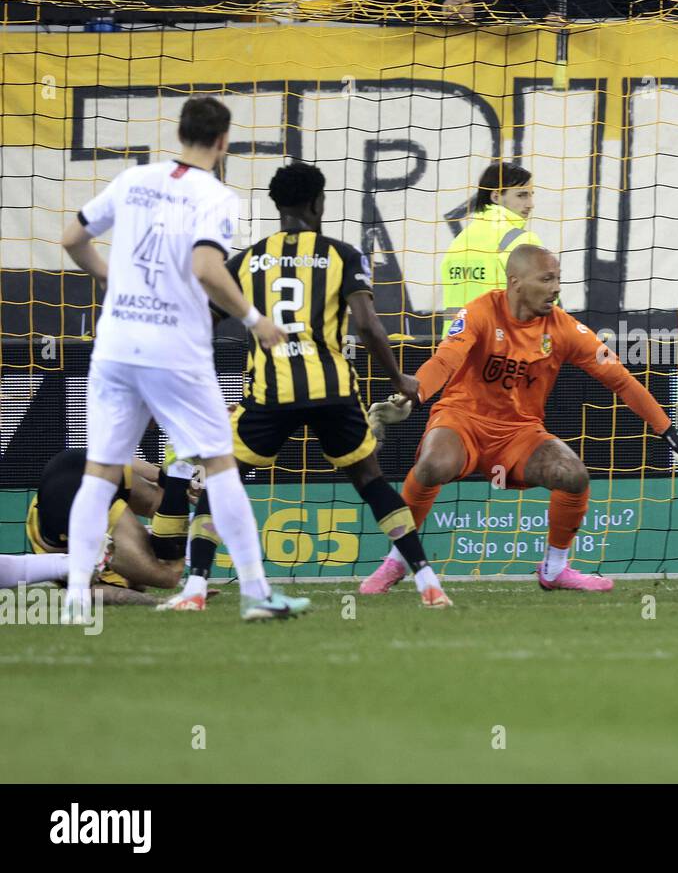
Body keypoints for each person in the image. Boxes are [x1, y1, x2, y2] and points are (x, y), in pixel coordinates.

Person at [59, 95, 306, 623]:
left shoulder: (133, 181)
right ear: (222, 141)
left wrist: (108, 276)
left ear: (179, 133)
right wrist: (254, 320)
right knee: (220, 467)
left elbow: (73, 238)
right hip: (174, 349)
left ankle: (78, 593)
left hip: (117, 343)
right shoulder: (216, 196)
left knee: (99, 472)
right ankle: (258, 593)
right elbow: (205, 267)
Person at [159, 161, 449, 611]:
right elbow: (369, 327)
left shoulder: (244, 261)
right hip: (332, 390)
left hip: (270, 394)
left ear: (276, 206)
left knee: (221, 483)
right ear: (319, 203)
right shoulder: (343, 255)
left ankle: (195, 588)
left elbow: (201, 325)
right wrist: (399, 378)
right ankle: (428, 582)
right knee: (372, 481)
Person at [361, 243, 678, 594]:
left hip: (519, 434)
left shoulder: (563, 328)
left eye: (558, 279)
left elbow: (622, 382)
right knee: (433, 465)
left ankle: (555, 569)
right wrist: (414, 394)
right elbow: (444, 361)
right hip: (462, 419)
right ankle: (396, 561)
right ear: (516, 282)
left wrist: (673, 437)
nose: (556, 289)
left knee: (573, 475)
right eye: (547, 279)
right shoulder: (479, 312)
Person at [3, 448, 185, 604]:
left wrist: (159, 602)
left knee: (168, 577)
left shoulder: (109, 572)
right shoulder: (109, 569)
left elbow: (103, 593)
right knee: (156, 503)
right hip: (72, 464)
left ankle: (175, 474)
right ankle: (171, 476)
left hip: (65, 501)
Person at [439, 162, 544, 335]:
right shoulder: (521, 240)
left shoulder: (458, 243)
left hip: (455, 349)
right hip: (504, 348)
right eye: (522, 195)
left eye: (531, 195)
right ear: (496, 197)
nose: (530, 204)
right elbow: (542, 299)